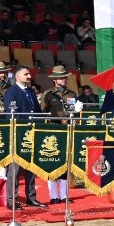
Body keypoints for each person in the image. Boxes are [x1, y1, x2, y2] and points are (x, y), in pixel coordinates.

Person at [3, 66, 44, 209]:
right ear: (17, 77)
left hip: (32, 133)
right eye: (25, 74)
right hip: (18, 134)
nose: (29, 76)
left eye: (29, 74)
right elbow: (12, 114)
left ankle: (31, 197)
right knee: (14, 168)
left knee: (31, 167)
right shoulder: (11, 93)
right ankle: (11, 200)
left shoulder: (31, 91)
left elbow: (37, 111)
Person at [40, 65, 78, 203]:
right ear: (55, 79)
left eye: (65, 77)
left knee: (65, 161)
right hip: (53, 129)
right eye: (61, 78)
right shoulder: (48, 94)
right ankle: (53, 196)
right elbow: (43, 113)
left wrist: (76, 114)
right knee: (53, 161)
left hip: (67, 129)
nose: (64, 80)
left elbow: (74, 111)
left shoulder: (71, 94)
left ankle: (64, 195)